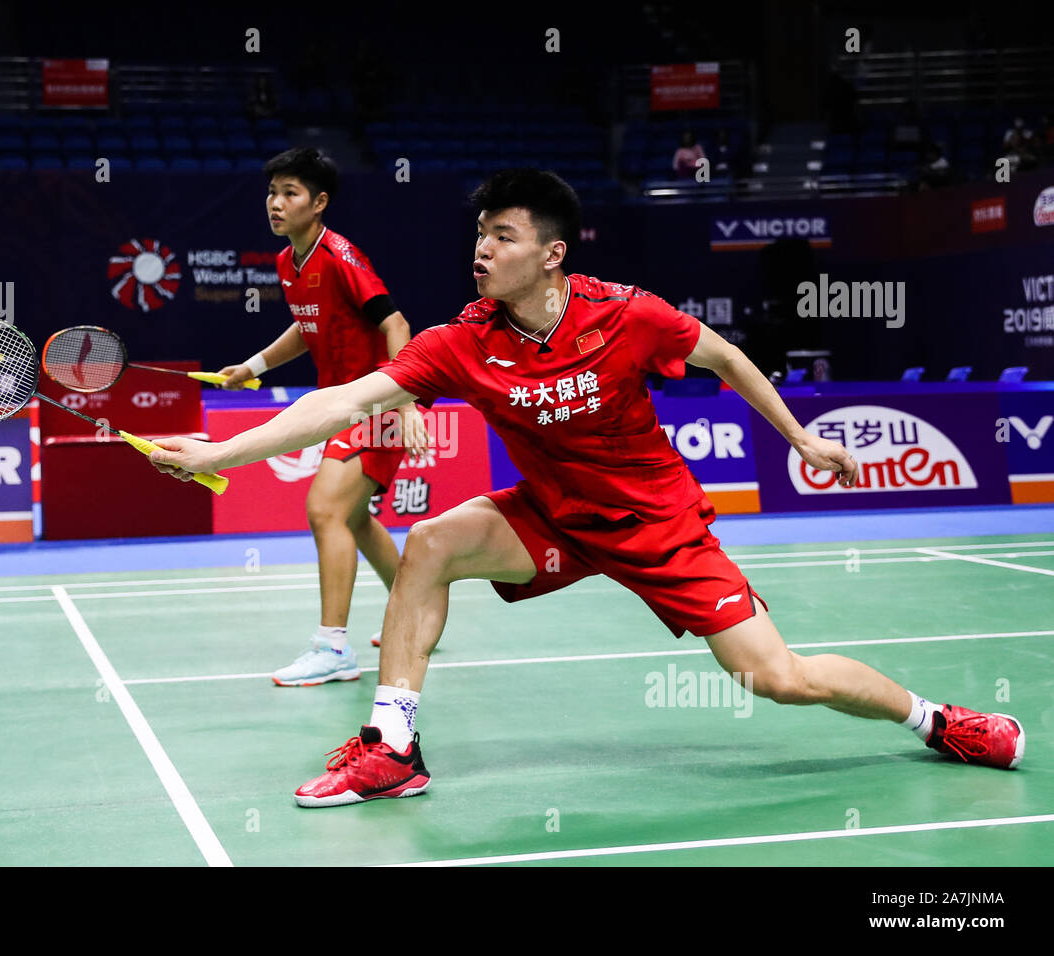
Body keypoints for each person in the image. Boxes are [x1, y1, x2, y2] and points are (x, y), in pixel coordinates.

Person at [152, 168, 1025, 807]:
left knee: (778, 678)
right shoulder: (466, 339)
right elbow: (348, 397)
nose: (481, 250)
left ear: (552, 255)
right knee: (430, 543)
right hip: (554, 517)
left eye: (502, 236)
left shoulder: (628, 315)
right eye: (479, 233)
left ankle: (936, 720)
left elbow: (721, 357)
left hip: (658, 523)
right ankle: (394, 743)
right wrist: (222, 453)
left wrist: (799, 436)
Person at [213, 147, 428, 685]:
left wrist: (402, 403)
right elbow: (308, 328)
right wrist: (254, 365)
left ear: (320, 202)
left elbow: (396, 324)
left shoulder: (341, 258)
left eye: (290, 193)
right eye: (272, 192)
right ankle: (419, 609)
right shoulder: (290, 262)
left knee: (325, 511)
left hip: (373, 402)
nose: (276, 203)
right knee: (352, 518)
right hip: (339, 405)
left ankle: (333, 648)